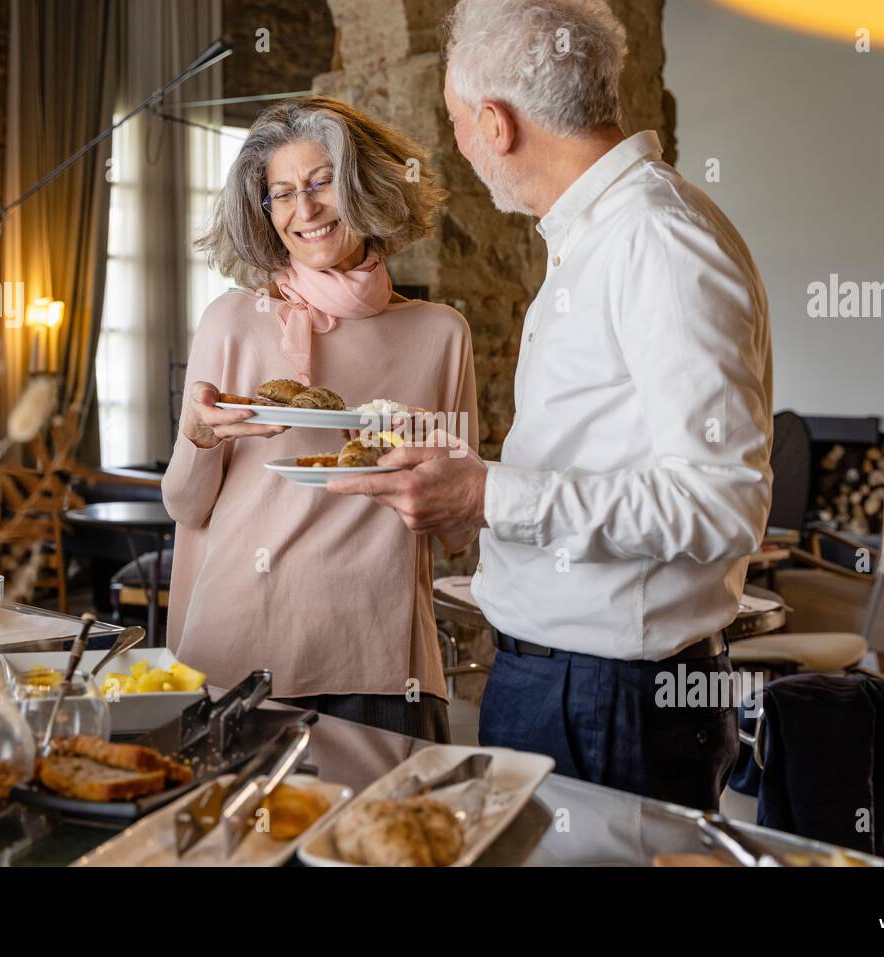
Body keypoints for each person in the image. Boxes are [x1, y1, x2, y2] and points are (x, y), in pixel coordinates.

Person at [329, 0, 773, 810]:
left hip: (609, 703)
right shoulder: (604, 235)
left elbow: (722, 502)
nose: (461, 146)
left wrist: (487, 492)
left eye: (457, 124)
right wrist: (483, 506)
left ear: (495, 124)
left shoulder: (654, 240)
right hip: (574, 688)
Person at [163, 96, 479, 742]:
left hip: (380, 658)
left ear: (366, 186)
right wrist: (197, 437)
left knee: (391, 842)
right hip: (242, 647)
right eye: (280, 194)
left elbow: (459, 525)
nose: (301, 211)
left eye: (320, 183)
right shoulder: (233, 319)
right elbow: (186, 507)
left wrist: (434, 461)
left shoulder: (441, 333)